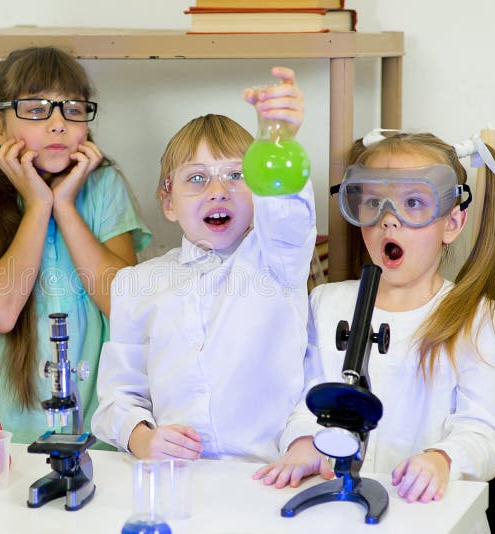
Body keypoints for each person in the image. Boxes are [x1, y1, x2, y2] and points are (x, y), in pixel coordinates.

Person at [92, 67, 334, 488]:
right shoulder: (137, 284)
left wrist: (278, 141)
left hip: (269, 480)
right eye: (197, 178)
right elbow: (118, 397)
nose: (217, 190)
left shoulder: (278, 259)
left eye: (237, 175)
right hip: (175, 482)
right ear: (168, 202)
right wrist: (143, 439)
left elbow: (289, 215)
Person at [0, 46, 151, 445]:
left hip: (98, 434)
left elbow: (125, 306)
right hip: (1, 440)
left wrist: (64, 204)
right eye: (36, 109)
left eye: (73, 109)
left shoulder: (103, 188)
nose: (58, 125)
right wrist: (37, 205)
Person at [287, 130, 495, 506]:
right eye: (374, 202)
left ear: (452, 224)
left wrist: (442, 460)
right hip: (341, 513)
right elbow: (302, 402)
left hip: (429, 514)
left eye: (413, 203)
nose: (388, 221)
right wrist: (303, 443)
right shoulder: (324, 304)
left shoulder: (476, 316)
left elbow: (483, 431)